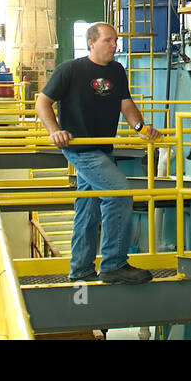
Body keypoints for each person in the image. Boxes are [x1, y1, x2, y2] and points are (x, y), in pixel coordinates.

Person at [35, 22, 159, 284]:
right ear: (91, 43)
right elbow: (43, 102)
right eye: (108, 40)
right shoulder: (70, 69)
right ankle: (113, 264)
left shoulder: (116, 70)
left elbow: (126, 104)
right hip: (80, 148)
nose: (114, 45)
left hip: (103, 149)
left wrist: (140, 127)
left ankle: (80, 269)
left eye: (115, 40)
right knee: (119, 194)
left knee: (88, 208)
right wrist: (54, 130)